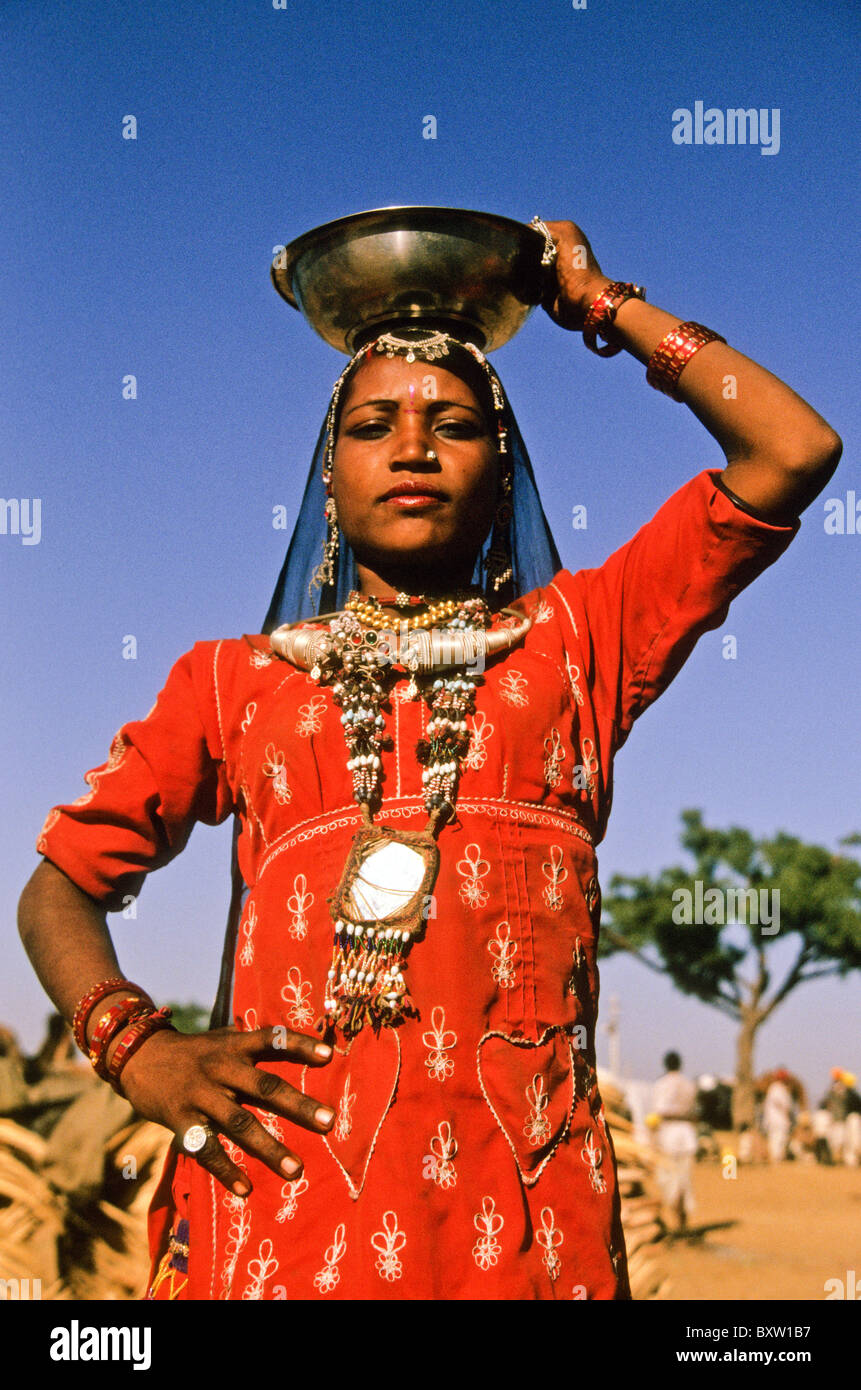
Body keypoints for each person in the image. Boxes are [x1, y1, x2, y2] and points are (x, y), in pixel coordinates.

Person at [17, 218, 842, 1300]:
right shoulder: (231, 683)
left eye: (452, 424)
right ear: (330, 476)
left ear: (502, 477)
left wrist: (600, 304)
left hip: (530, 1233)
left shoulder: (581, 643)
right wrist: (140, 1051)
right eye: (373, 425)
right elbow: (60, 886)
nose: (412, 445)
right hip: (287, 1225)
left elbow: (791, 449)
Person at [652, 1052, 699, 1232]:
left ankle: (678, 1221)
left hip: (669, 1134)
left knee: (669, 1179)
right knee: (684, 1179)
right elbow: (694, 1110)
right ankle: (682, 1222)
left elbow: (658, 1112)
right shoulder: (689, 1085)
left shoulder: (661, 1085)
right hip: (686, 1134)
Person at [762, 1069, 795, 1163]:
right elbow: (779, 1103)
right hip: (777, 1119)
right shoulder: (776, 1088)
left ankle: (778, 1157)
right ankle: (775, 1158)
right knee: (776, 1137)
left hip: (780, 1119)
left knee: (780, 1138)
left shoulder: (781, 1088)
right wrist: (785, 1110)